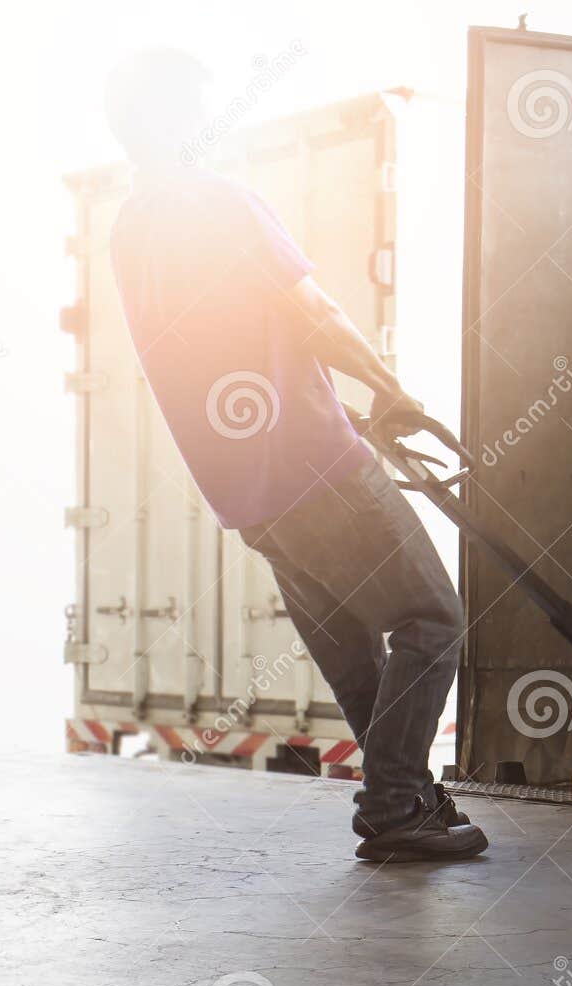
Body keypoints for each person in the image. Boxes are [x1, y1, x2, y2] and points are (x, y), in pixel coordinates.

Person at [103, 48, 486, 861]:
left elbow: (221, 347)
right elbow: (311, 314)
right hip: (318, 466)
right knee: (433, 619)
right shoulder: (218, 204)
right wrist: (392, 391)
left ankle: (408, 796)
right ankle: (393, 805)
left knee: (356, 650)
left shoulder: (130, 229)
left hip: (251, 497)